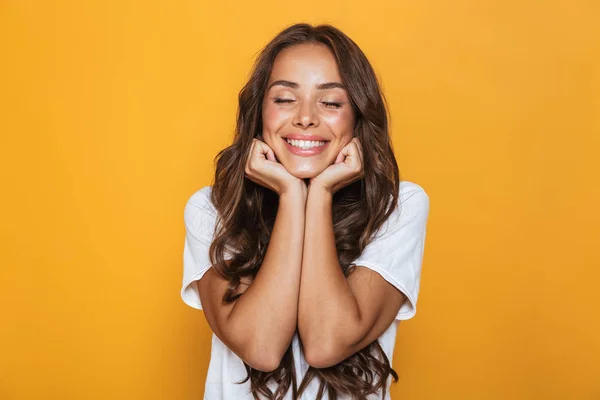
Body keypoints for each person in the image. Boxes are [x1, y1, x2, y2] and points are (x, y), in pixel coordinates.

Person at [181, 23, 430, 400]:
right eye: (284, 99)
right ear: (259, 112)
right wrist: (291, 194)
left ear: (358, 117)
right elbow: (261, 347)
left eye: (330, 102)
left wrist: (321, 193)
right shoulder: (211, 210)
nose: (306, 117)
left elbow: (326, 342)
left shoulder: (399, 207)